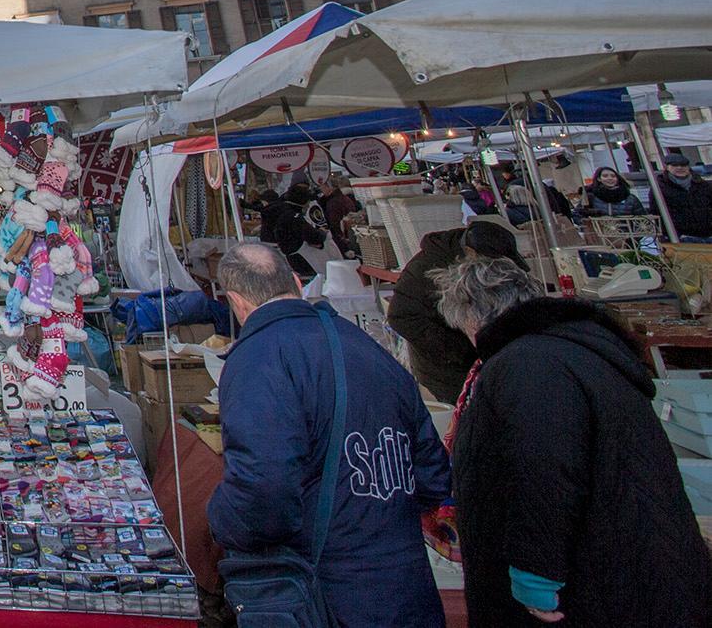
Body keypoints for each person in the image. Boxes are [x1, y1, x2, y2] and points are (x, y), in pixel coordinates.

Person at [438, 258, 712, 627]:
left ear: (471, 317)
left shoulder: (527, 365)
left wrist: (535, 575)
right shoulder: (571, 348)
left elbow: (544, 473)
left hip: (590, 583)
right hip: (629, 566)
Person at [205, 240, 449, 628]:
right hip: (404, 585)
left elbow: (264, 489)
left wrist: (218, 519)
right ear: (298, 283)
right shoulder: (367, 347)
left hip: (326, 591)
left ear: (236, 301)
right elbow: (433, 473)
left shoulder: (257, 358)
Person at [385, 218, 521, 403]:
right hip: (446, 370)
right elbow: (400, 316)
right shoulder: (427, 268)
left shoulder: (471, 255)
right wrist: (460, 352)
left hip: (479, 357)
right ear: (471, 252)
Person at [656, 149, 712, 239]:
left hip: (708, 234)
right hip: (680, 237)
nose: (680, 168)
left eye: (683, 165)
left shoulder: (702, 184)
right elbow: (657, 213)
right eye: (674, 165)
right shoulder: (660, 188)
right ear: (666, 167)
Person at [579, 164, 648, 217]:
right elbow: (578, 214)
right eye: (605, 176)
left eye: (613, 176)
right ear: (599, 179)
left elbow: (642, 217)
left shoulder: (630, 199)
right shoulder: (590, 197)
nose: (610, 178)